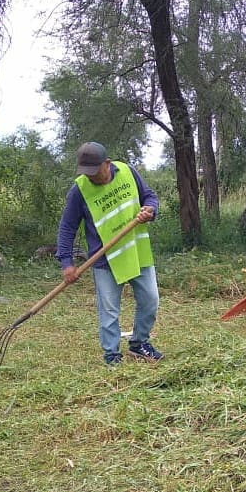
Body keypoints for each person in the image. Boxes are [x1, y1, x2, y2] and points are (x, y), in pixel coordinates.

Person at [56, 142, 163, 365]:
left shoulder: (128, 172)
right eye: (87, 173)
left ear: (107, 163)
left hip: (136, 250)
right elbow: (67, 227)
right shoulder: (79, 190)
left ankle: (139, 344)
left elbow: (150, 197)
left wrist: (150, 210)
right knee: (109, 311)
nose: (92, 177)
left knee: (150, 300)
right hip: (104, 260)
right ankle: (112, 355)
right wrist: (66, 263)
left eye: (95, 172)